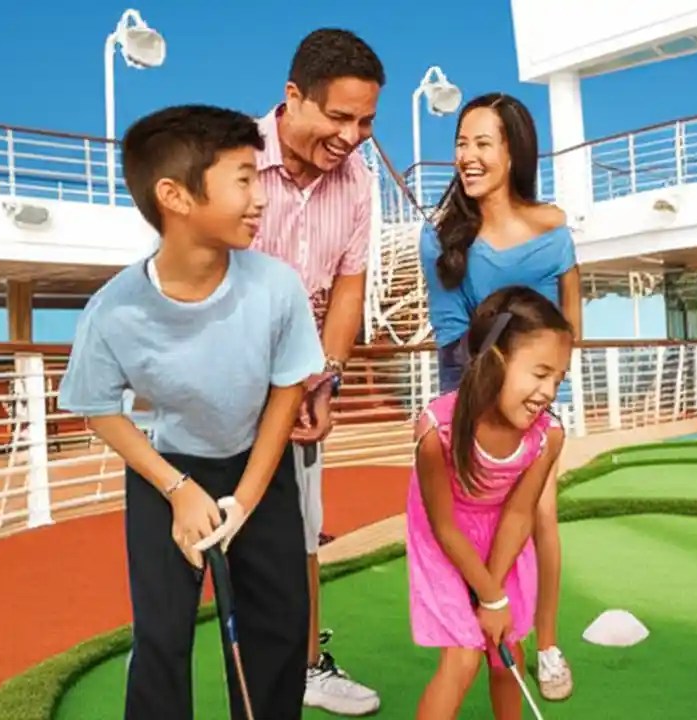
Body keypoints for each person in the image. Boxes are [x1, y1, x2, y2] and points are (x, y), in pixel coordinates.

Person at [57, 104, 324, 719]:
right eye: (243, 178)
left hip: (259, 467)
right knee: (162, 634)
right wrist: (178, 490)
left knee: (279, 626)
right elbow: (100, 408)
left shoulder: (277, 287)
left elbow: (286, 391)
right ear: (175, 196)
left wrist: (248, 498)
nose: (261, 198)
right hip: (168, 472)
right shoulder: (112, 310)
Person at [418, 91, 580, 701]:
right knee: (480, 536)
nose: (467, 155)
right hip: (471, 399)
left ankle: (545, 641)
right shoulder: (440, 240)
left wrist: (544, 380)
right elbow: (456, 340)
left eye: (482, 143)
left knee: (540, 514)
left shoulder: (555, 227)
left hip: (536, 397)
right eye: (461, 143)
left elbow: (569, 322)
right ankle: (485, 619)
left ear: (513, 151)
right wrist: (502, 391)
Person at [249, 28, 385, 716]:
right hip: (226, 384)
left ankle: (304, 669)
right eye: (339, 118)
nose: (353, 136)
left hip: (304, 385)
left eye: (365, 122)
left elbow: (348, 289)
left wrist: (324, 379)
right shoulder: (230, 156)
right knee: (214, 539)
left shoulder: (357, 183)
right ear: (293, 98)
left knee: (303, 531)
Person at [406, 285, 572, 719]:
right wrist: (490, 597)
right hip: (444, 541)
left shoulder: (546, 437)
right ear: (495, 359)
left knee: (505, 653)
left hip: (503, 538)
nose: (549, 391)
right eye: (539, 373)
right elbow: (442, 527)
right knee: (462, 657)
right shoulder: (435, 431)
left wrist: (492, 595)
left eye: (558, 379)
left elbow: (519, 514)